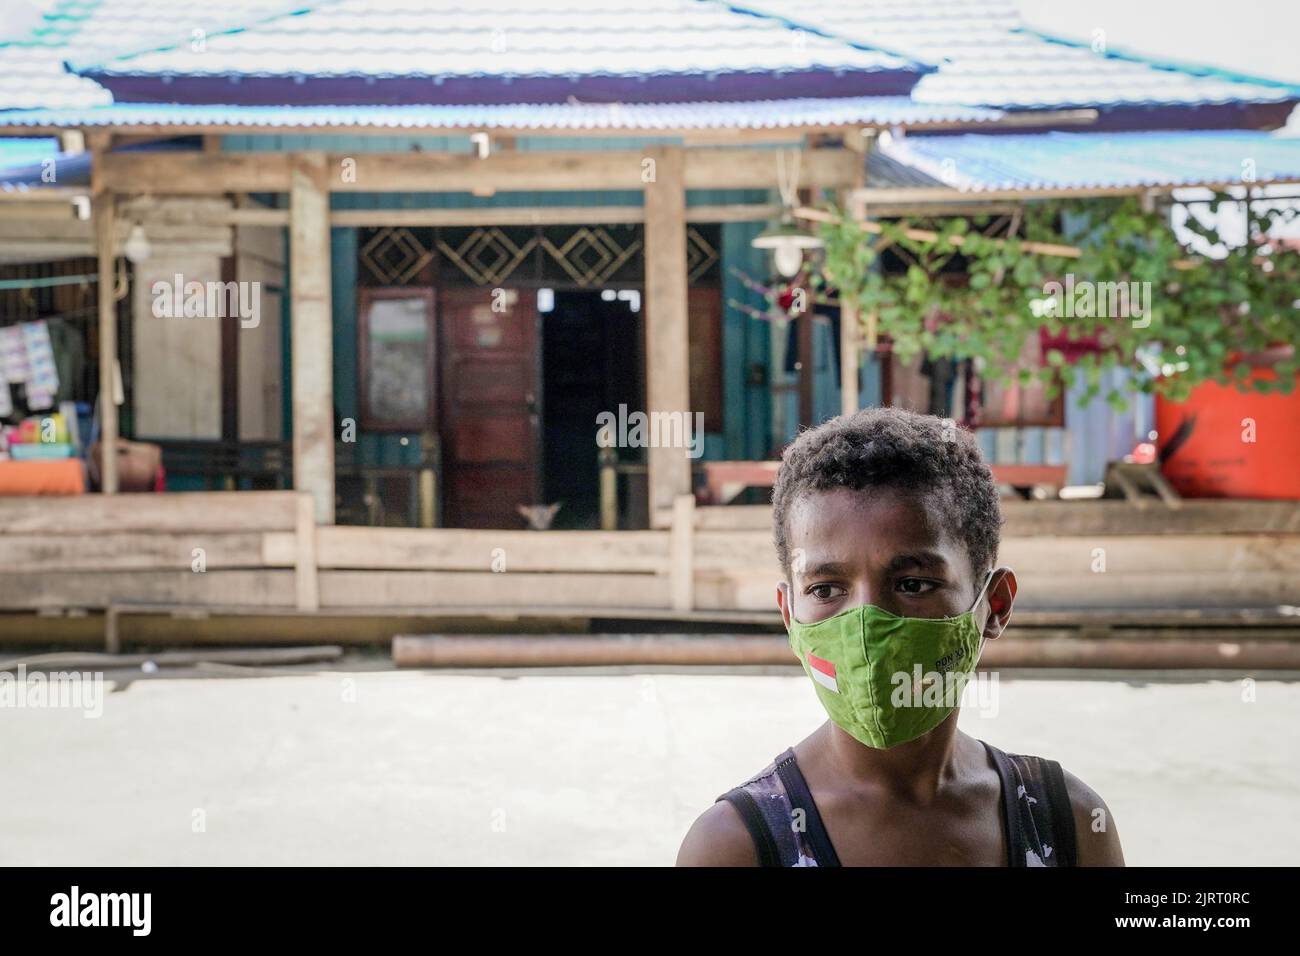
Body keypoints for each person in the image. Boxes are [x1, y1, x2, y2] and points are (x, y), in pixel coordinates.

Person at [677, 407, 1124, 867]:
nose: (868, 625)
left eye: (913, 584)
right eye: (825, 589)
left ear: (995, 604)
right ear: (790, 614)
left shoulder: (1067, 823)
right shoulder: (736, 846)